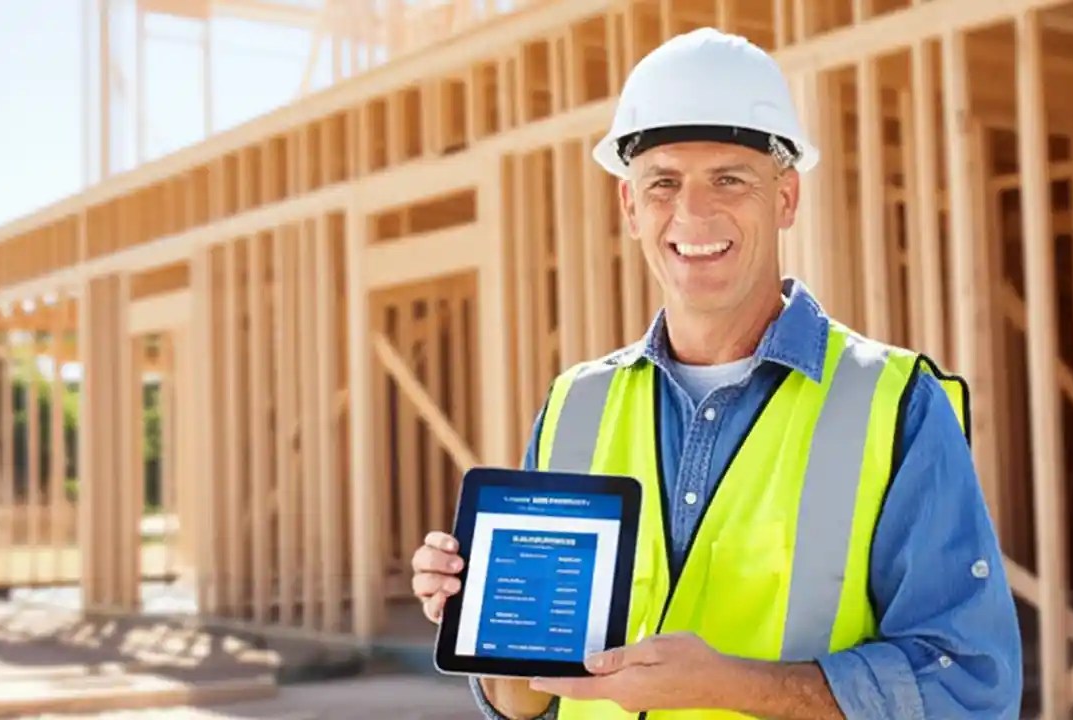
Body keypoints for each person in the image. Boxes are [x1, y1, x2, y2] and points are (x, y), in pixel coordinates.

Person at [411, 26, 1022, 720]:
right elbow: (529, 701)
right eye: (663, 182)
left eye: (729, 179)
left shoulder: (893, 404)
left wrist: (732, 687)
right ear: (631, 206)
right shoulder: (575, 406)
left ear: (785, 197)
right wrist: (483, 617)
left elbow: (969, 687)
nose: (692, 213)